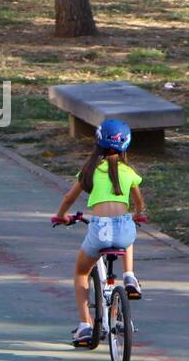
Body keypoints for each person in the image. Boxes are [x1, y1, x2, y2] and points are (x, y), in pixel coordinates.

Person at [51, 119, 145, 346]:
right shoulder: (129, 172)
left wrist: (61, 215)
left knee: (82, 271)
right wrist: (137, 214)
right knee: (128, 231)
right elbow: (139, 204)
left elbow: (68, 198)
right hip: (122, 229)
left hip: (100, 229)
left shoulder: (90, 170)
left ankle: (85, 325)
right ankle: (129, 275)